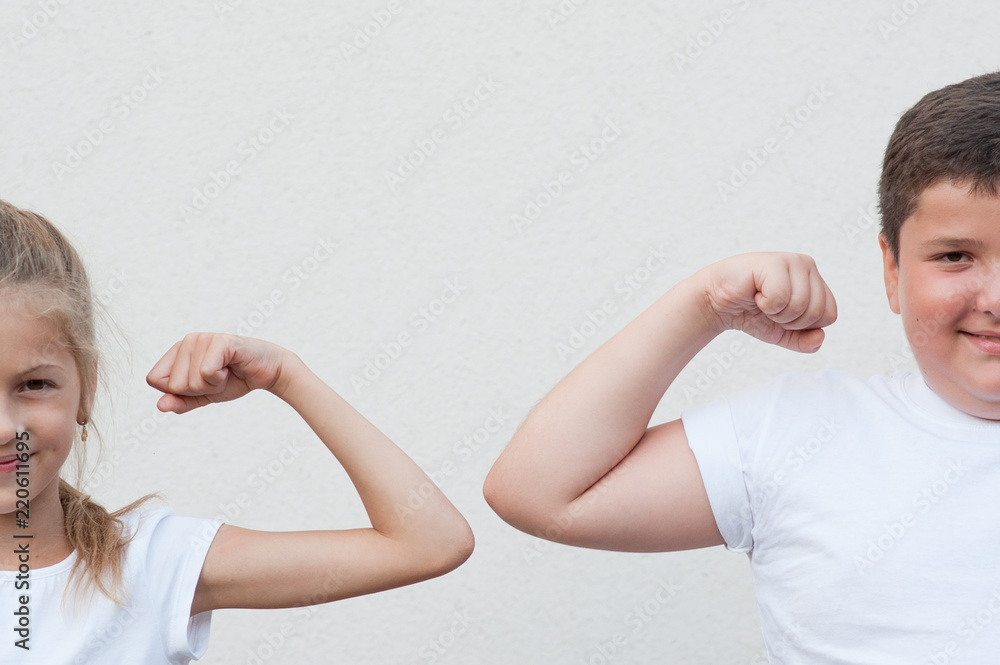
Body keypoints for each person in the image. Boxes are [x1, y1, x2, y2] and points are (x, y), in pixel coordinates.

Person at [484, 70, 1000, 663]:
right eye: (955, 256)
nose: (995, 299)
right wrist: (701, 305)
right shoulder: (803, 432)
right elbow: (537, 494)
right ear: (892, 271)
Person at [0, 202, 474, 663]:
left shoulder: (153, 566)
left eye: (34, 384)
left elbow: (428, 543)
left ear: (87, 389)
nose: (5, 428)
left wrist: (287, 376)